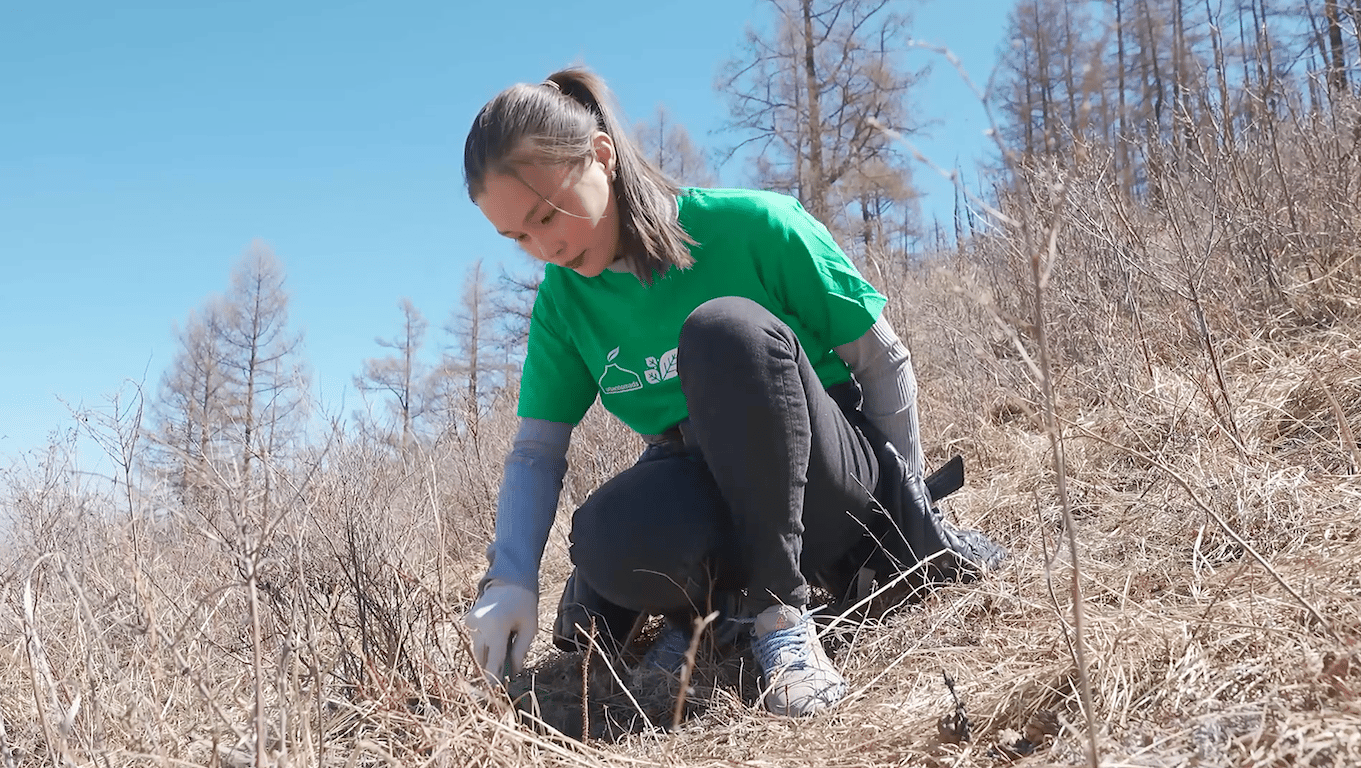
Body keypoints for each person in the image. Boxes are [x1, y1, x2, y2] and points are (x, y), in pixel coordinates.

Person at [462, 66, 1004, 718]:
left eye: (548, 214)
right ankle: (718, 615)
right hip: (705, 476)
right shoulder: (563, 303)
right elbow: (537, 451)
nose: (543, 247)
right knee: (603, 535)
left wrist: (907, 505)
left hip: (826, 471)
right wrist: (511, 576)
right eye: (517, 237)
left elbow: (882, 362)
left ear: (601, 156)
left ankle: (781, 616)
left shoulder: (754, 225)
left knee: (722, 332)